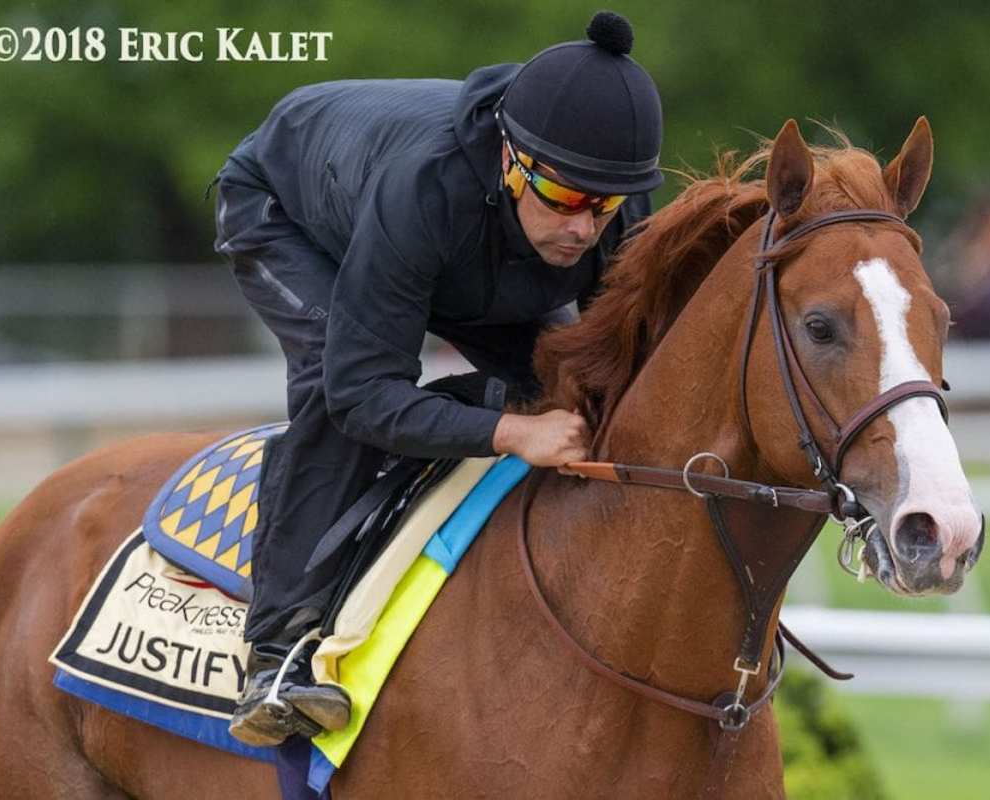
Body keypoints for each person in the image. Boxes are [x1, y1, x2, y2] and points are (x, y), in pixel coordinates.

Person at [210, 11, 663, 746]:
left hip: (459, 254)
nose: (585, 228)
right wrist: (509, 431)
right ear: (513, 161)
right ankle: (277, 655)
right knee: (333, 375)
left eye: (603, 205)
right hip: (288, 211)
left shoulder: (613, 197)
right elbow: (362, 394)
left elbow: (630, 366)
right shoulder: (423, 188)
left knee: (565, 384)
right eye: (565, 199)